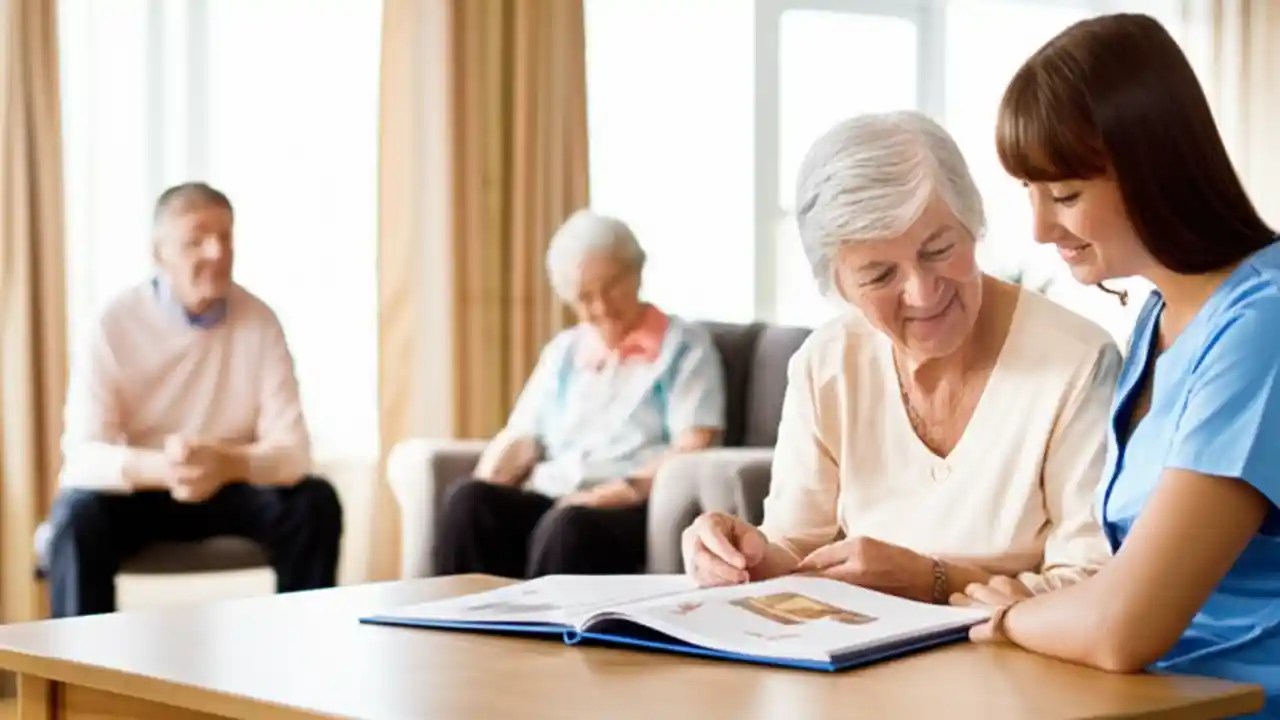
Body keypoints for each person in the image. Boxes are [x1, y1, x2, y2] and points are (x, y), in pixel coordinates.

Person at [954, 14, 1280, 717]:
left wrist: (1011, 617)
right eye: (1030, 195)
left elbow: (1123, 625)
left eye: (1065, 195)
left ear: (1155, 167)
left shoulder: (1264, 327)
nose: (1041, 229)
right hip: (1149, 693)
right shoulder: (1157, 323)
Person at [682, 111, 1119, 603]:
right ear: (840, 285)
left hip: (1018, 663)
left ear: (972, 226)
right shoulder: (826, 364)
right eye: (879, 276)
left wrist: (934, 580)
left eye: (938, 250)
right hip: (858, 668)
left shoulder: (1077, 361)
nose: (922, 292)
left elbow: (1092, 584)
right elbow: (796, 549)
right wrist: (744, 557)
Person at [46, 182, 342, 617]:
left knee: (314, 502)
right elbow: (82, 459)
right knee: (76, 515)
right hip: (144, 489)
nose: (216, 252)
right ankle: (78, 677)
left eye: (225, 237)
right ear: (159, 252)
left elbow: (294, 454)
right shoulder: (112, 323)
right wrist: (167, 467)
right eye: (196, 240)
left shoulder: (260, 322)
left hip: (231, 483)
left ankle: (299, 661)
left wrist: (226, 462)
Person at [434, 209, 726, 578]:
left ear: (637, 272)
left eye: (612, 287)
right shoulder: (565, 351)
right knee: (469, 502)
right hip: (556, 497)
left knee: (567, 526)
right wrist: (490, 474)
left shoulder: (684, 347)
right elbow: (524, 435)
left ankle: (542, 637)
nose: (602, 307)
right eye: (586, 297)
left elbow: (694, 445)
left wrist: (617, 492)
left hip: (628, 503)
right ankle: (463, 628)